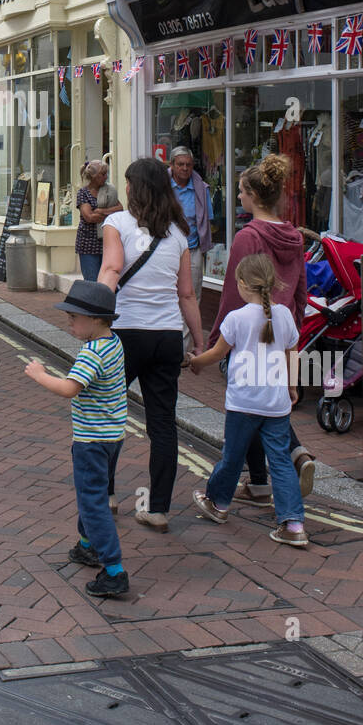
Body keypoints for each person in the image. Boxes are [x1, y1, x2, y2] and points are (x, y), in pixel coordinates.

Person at [99, 157, 203, 533]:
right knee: (163, 424)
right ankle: (158, 508)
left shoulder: (117, 224)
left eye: (128, 183)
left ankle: (108, 495)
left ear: (136, 188)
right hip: (166, 338)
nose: (125, 189)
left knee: (109, 414)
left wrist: (94, 315)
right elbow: (187, 295)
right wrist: (201, 342)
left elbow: (111, 271)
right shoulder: (178, 234)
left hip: (124, 334)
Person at [209, 154, 315, 504]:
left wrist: (216, 341)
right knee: (265, 405)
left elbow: (230, 296)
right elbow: (300, 292)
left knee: (248, 406)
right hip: (279, 333)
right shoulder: (294, 237)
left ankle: (270, 471)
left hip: (248, 336)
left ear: (254, 194)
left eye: (241, 192)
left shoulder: (247, 238)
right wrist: (290, 333)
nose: (239, 197)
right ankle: (262, 480)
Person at [188, 254, 308, 548]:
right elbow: (292, 352)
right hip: (276, 403)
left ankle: (218, 503)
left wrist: (195, 362)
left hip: (243, 403)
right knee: (279, 461)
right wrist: (291, 387)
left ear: (242, 284)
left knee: (233, 457)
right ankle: (293, 524)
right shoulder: (284, 315)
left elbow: (217, 354)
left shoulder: (236, 318)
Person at [24, 280, 129, 597]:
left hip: (91, 441)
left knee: (93, 502)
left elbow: (70, 389)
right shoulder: (113, 342)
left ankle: (114, 571)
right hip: (112, 436)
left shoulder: (92, 353)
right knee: (92, 493)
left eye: (74, 317)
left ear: (96, 319)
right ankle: (86, 546)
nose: (69, 321)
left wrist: (40, 375)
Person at [169, 147, 213, 357]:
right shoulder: (163, 188)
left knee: (191, 297)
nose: (185, 168)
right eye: (180, 164)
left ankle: (182, 349)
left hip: (193, 248)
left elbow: (207, 219)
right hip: (167, 248)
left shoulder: (201, 189)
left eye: (188, 165)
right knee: (170, 294)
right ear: (172, 166)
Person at [75, 160, 123, 280]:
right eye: (103, 174)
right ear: (93, 177)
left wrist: (101, 211)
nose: (106, 177)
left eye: (106, 173)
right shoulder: (83, 193)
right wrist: (111, 214)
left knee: (108, 279)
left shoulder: (109, 190)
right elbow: (89, 217)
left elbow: (120, 208)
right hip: (88, 244)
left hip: (107, 243)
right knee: (92, 280)